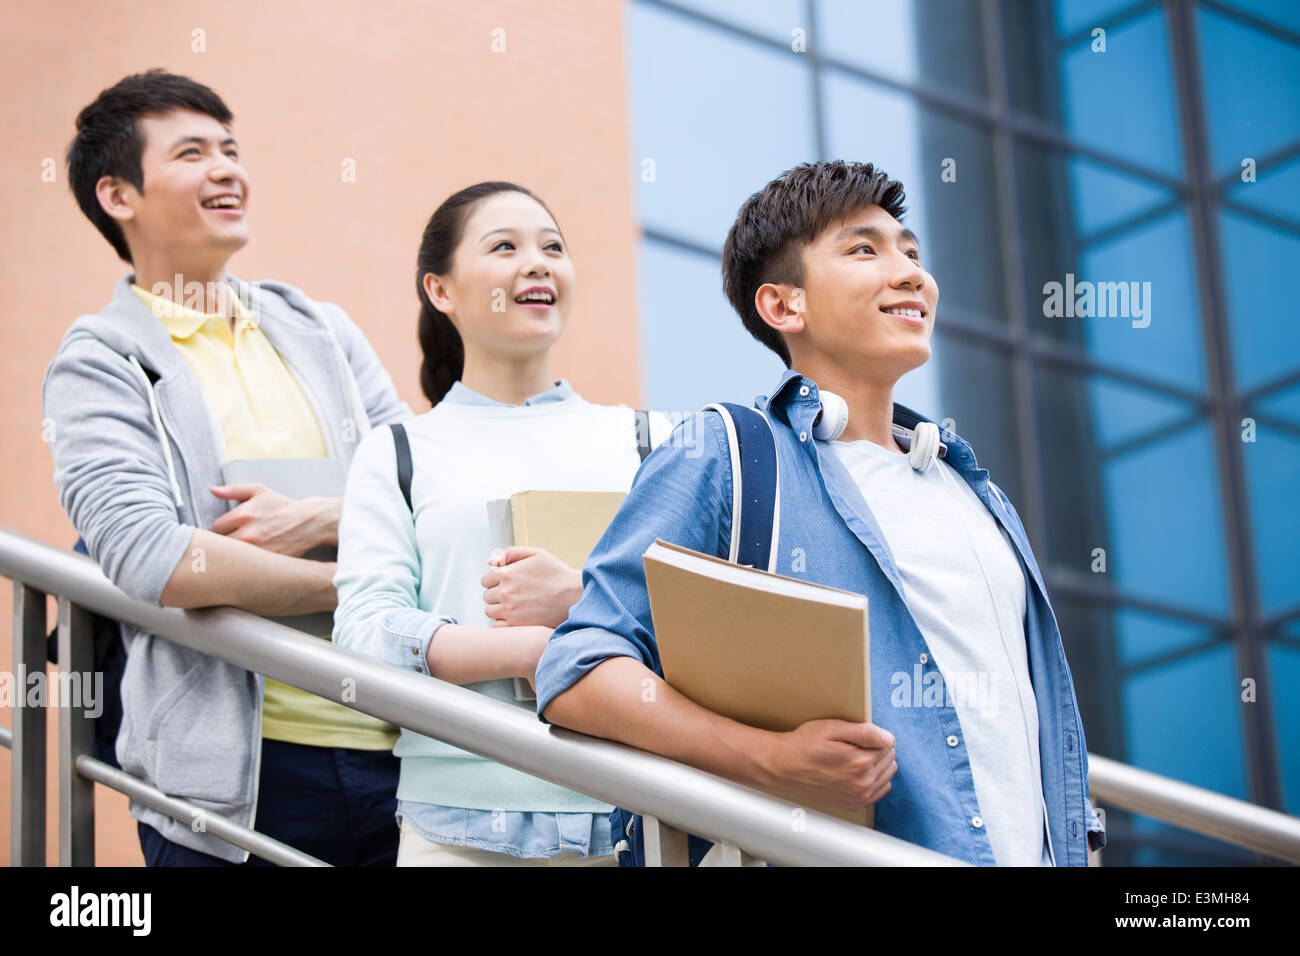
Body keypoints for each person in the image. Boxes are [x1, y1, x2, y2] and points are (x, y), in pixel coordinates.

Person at [537, 160, 1107, 866]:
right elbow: (579, 669)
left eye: (912, 252)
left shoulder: (973, 490)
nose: (909, 273)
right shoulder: (728, 451)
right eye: (864, 249)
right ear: (784, 307)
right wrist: (769, 759)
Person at [43, 70, 411, 866]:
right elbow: (155, 557)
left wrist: (313, 521)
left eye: (231, 148)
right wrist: (355, 580)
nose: (227, 169)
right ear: (119, 195)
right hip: (229, 785)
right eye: (192, 152)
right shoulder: (102, 360)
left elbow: (425, 496)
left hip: (401, 747)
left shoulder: (321, 330)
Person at [332, 181, 672, 866]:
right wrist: (529, 650)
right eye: (505, 247)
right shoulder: (399, 451)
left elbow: (715, 623)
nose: (538, 263)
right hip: (451, 833)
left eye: (553, 247)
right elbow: (364, 634)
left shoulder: (648, 440)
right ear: (441, 289)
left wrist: (580, 596)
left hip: (634, 820)